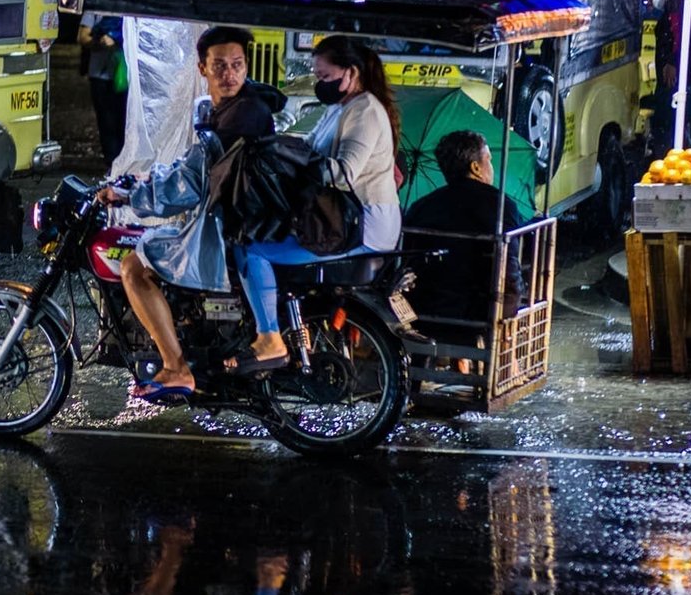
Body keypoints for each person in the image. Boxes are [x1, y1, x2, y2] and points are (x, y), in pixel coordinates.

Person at [99, 25, 275, 403]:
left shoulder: (241, 115)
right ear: (202, 68)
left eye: (237, 65)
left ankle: (176, 367)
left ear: (247, 67)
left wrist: (133, 195)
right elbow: (191, 166)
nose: (229, 74)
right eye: (220, 66)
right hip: (225, 219)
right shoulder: (224, 109)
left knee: (133, 265)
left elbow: (190, 182)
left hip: (230, 227)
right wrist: (147, 179)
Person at [226, 35, 401, 375]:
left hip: (361, 225)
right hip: (340, 219)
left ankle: (269, 339)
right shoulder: (341, 107)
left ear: (350, 72)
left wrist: (298, 162)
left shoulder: (364, 111)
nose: (320, 84)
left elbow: (344, 171)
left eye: (325, 77)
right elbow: (309, 145)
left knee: (251, 249)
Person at [403, 130, 526, 330]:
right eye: (489, 160)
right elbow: (510, 270)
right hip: (485, 311)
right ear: (476, 167)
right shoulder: (502, 205)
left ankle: (459, 360)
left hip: (425, 308)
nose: (491, 167)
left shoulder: (422, 207)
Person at [80, 14, 128, 168]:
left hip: (124, 76)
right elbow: (82, 36)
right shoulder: (95, 7)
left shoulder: (129, 4)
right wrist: (99, 42)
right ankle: (112, 165)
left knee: (125, 122)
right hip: (100, 76)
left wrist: (120, 39)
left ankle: (124, 165)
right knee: (106, 123)